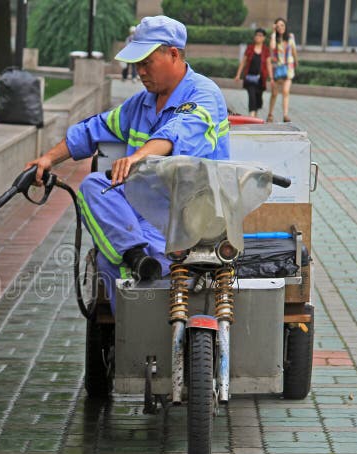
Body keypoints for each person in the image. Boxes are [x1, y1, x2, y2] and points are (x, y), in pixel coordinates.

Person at [26, 15, 230, 312]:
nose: (139, 72)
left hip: (191, 218)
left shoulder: (204, 94)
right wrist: (47, 160)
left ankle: (139, 271)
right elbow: (91, 130)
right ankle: (137, 262)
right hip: (143, 216)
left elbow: (177, 133)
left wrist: (137, 157)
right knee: (94, 186)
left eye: (146, 62)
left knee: (109, 257)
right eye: (137, 64)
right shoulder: (141, 103)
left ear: (173, 54)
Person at [266, 18, 298, 122]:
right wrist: (274, 33)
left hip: (288, 67)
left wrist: (296, 61)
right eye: (278, 26)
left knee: (285, 91)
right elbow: (272, 48)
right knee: (274, 93)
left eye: (282, 25)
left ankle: (285, 115)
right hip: (277, 68)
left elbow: (293, 50)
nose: (280, 28)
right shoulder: (274, 38)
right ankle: (270, 113)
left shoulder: (290, 37)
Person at [234, 28, 270, 117]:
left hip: (260, 79)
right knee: (252, 95)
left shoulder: (266, 50)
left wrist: (272, 78)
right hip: (249, 77)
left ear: (264, 38)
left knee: (258, 99)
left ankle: (255, 112)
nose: (258, 37)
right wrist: (238, 75)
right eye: (256, 35)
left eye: (260, 35)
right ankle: (252, 114)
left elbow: (269, 64)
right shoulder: (250, 48)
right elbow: (243, 62)